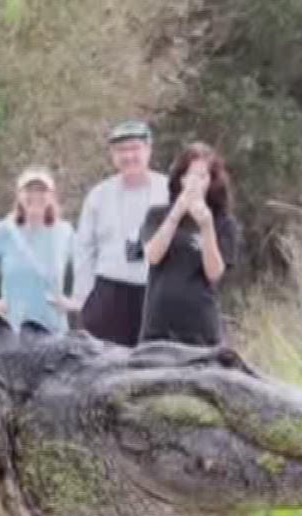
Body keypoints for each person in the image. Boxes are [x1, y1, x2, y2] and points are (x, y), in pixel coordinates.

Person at [71, 119, 168, 347]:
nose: (128, 156)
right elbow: (84, 251)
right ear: (113, 155)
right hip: (109, 294)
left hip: (156, 292)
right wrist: (82, 300)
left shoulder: (168, 190)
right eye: (121, 150)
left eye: (135, 148)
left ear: (148, 149)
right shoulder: (99, 195)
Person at [138, 141, 240, 346]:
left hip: (201, 326)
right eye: (190, 176)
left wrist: (206, 226)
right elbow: (152, 256)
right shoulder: (157, 214)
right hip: (158, 325)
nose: (194, 184)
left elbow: (214, 273)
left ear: (211, 181)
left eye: (202, 177)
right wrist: (176, 213)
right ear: (180, 179)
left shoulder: (224, 222)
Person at [0, 167, 78, 334]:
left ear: (52, 196)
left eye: (42, 190)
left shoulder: (64, 232)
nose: (35, 196)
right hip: (12, 332)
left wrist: (75, 303)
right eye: (29, 190)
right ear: (19, 196)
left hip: (53, 333)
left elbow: (89, 267)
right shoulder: (4, 230)